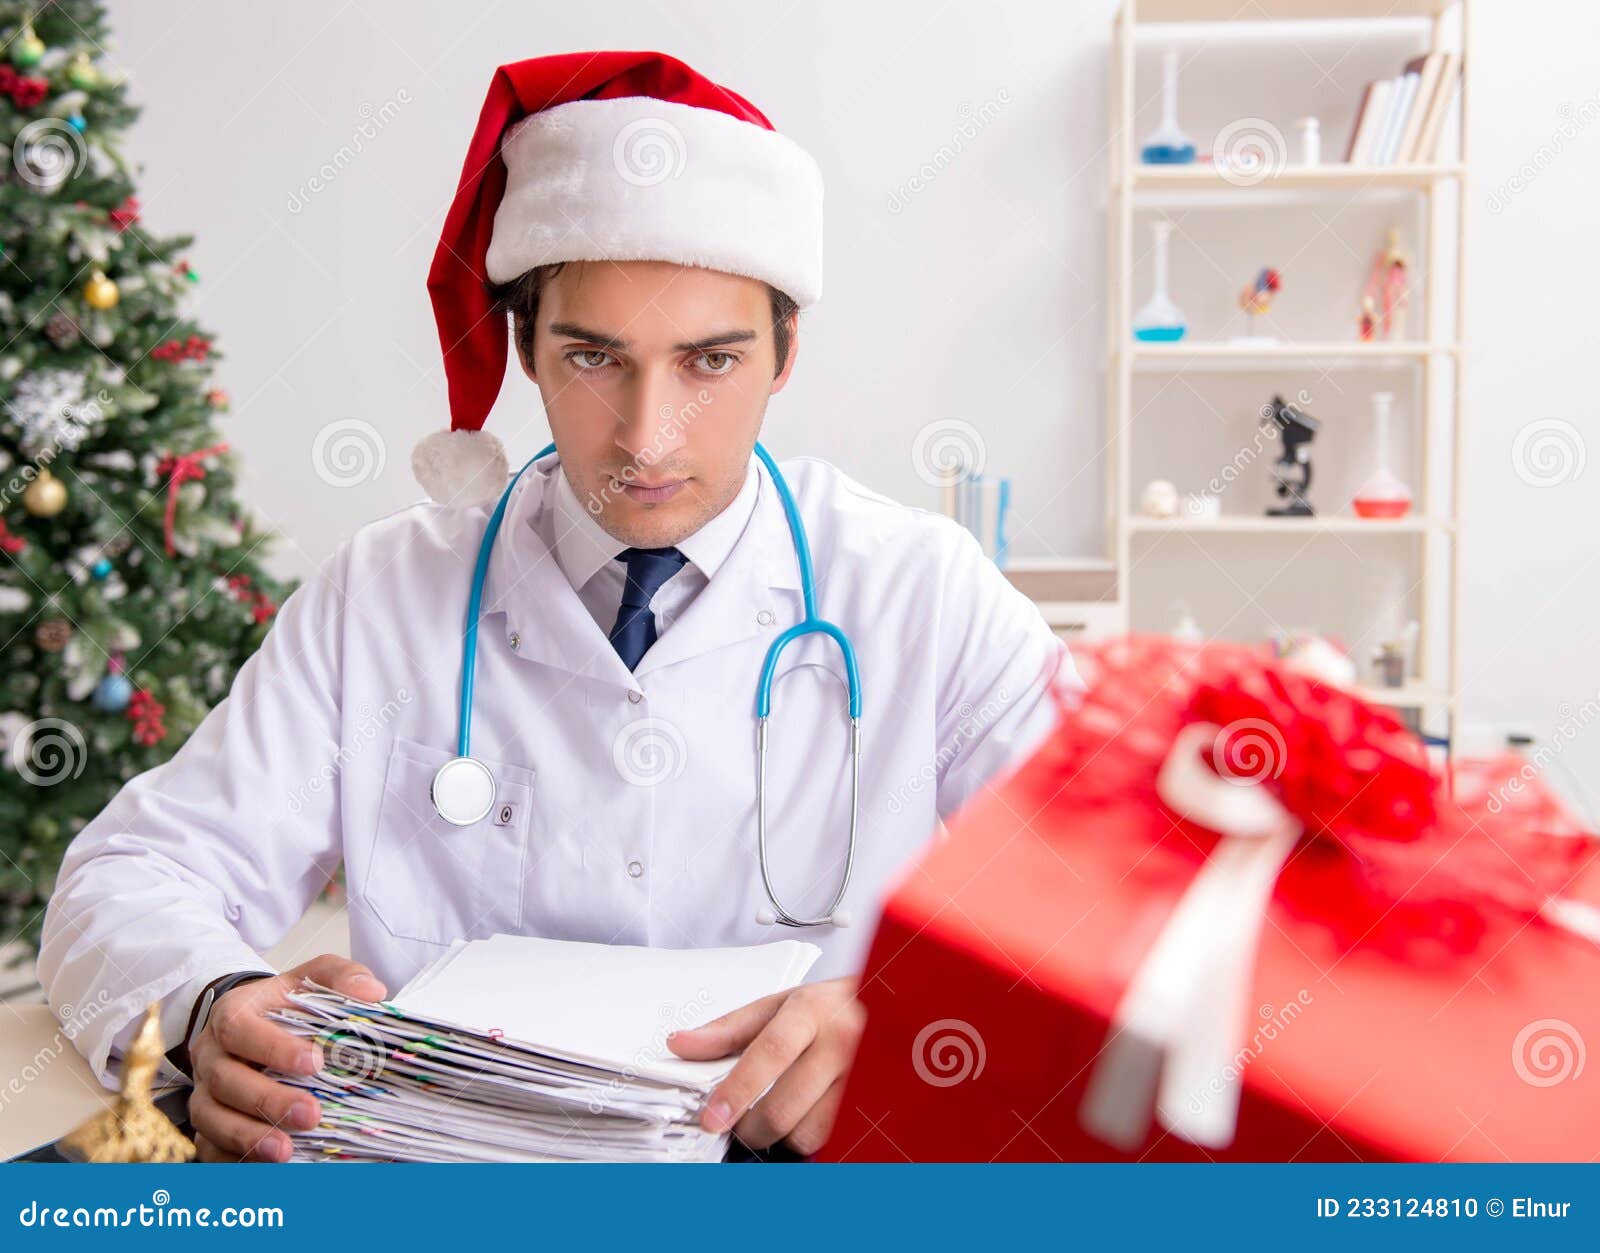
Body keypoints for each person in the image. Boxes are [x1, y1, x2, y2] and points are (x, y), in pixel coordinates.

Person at [39, 50, 1076, 1163]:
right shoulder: (381, 595)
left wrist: (902, 1014)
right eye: (593, 357)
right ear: (524, 343)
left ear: (785, 353)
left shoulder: (922, 589)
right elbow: (131, 875)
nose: (647, 436)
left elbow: (1112, 904)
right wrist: (210, 1002)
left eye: (709, 360)